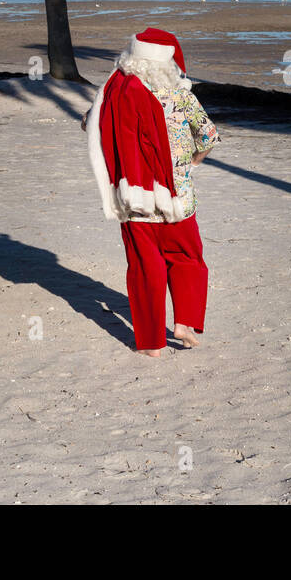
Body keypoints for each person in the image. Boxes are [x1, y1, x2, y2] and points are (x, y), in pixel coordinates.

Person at [83, 28, 219, 357]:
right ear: (168, 63)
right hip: (177, 195)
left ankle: (151, 343)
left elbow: (92, 124)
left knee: (145, 265)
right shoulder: (182, 95)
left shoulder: (115, 91)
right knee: (187, 257)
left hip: (133, 196)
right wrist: (191, 163)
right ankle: (184, 322)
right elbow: (208, 136)